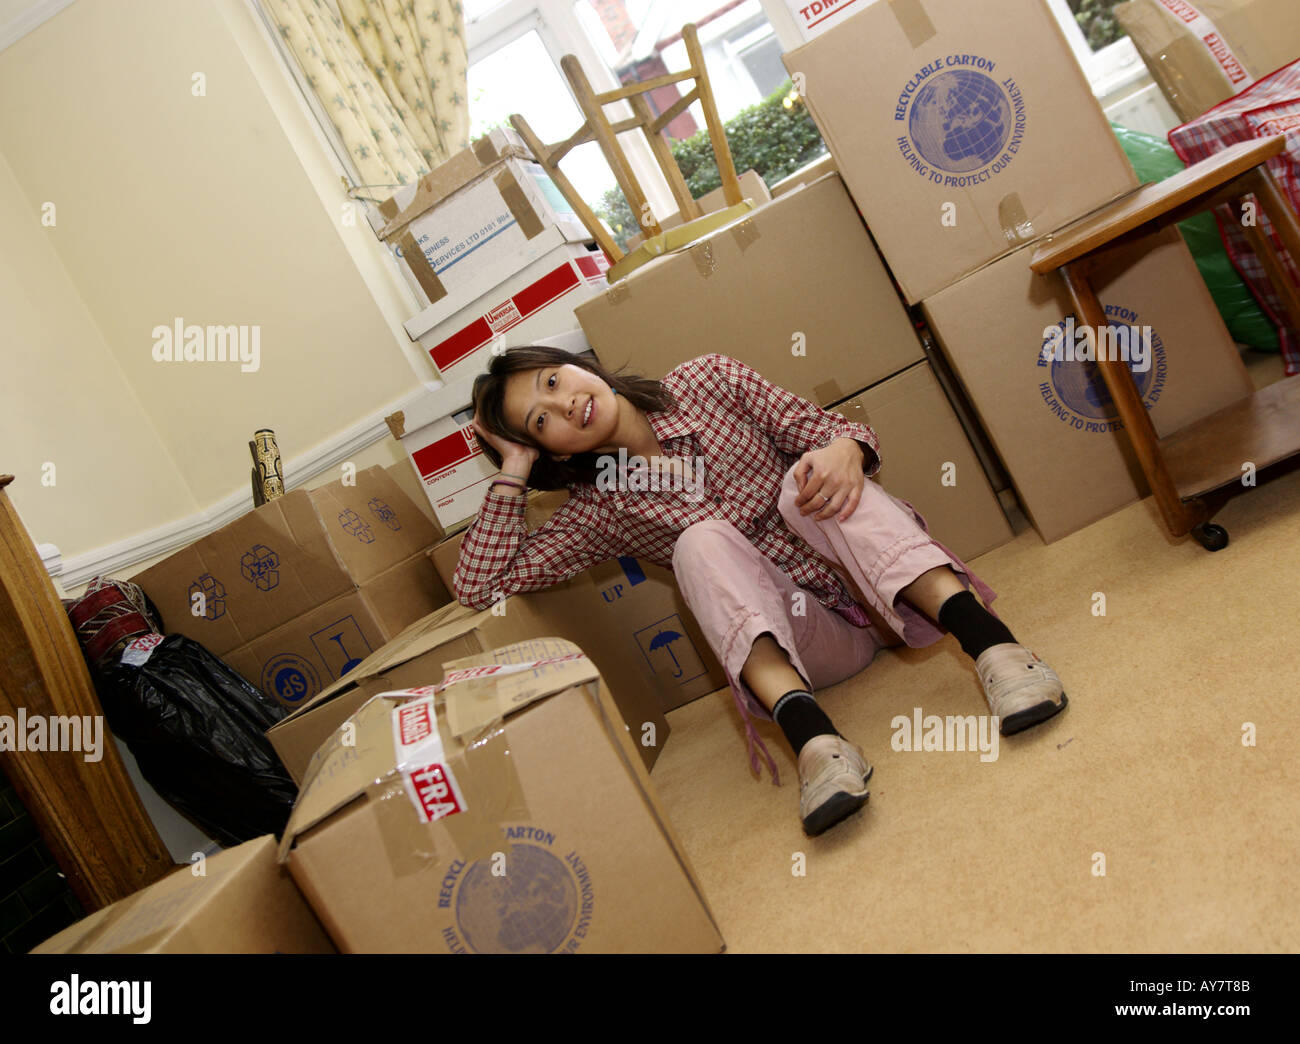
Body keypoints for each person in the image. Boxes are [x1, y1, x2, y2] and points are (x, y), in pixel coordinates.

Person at [458, 346, 1067, 836]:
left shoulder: (709, 380)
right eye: (542, 421)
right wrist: (513, 467)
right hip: (815, 646)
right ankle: (820, 750)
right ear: (548, 452)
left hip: (889, 588)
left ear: (580, 365)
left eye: (553, 380)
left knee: (807, 477)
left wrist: (843, 450)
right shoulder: (601, 508)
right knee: (698, 541)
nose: (566, 404)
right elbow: (481, 583)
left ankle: (998, 652)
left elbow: (833, 429)